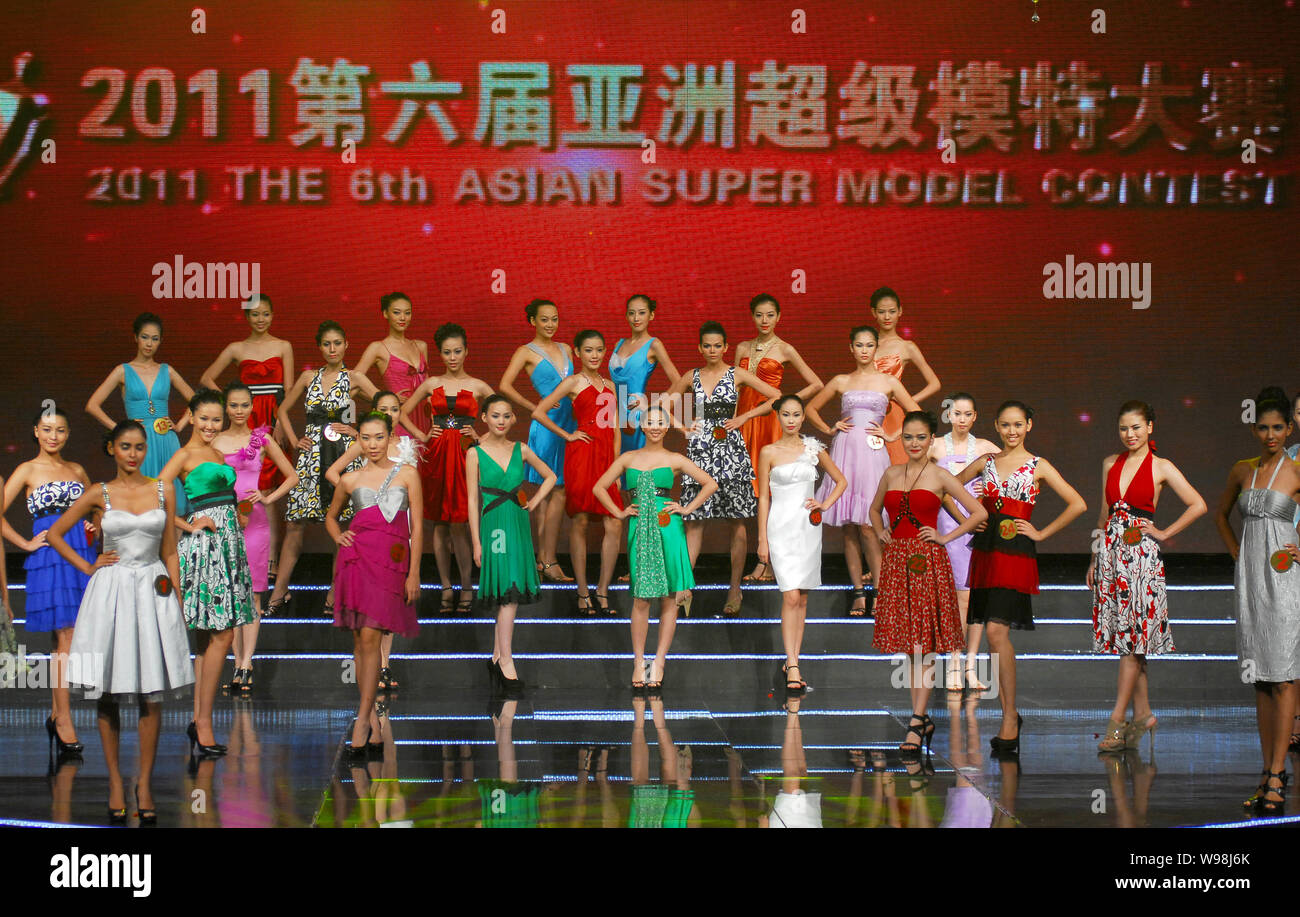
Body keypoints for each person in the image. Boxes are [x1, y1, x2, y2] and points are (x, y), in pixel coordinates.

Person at [47, 420, 195, 824]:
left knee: (151, 692)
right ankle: (115, 781)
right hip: (109, 591)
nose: (133, 453)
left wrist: (177, 598)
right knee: (107, 692)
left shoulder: (163, 490)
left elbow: (169, 551)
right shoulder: (99, 492)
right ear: (112, 448)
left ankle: (143, 783)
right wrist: (88, 565)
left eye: (140, 447)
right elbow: (56, 533)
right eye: (126, 446)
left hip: (151, 588)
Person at [953, 400, 1087, 755]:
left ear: (1029, 425)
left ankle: (1010, 716)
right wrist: (971, 516)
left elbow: (1078, 503)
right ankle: (1010, 715)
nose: (1011, 431)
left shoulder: (1038, 465)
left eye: (1018, 425)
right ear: (996, 427)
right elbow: (946, 486)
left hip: (1015, 553)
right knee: (993, 636)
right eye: (1005, 425)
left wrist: (1041, 533)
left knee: (996, 633)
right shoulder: (987, 462)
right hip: (986, 550)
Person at [1088, 400, 1205, 753]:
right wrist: (1094, 558)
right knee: (1130, 642)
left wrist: (1164, 531)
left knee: (1131, 643)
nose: (1130, 434)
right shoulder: (1110, 463)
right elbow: (1103, 514)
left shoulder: (1162, 466)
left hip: (1140, 560)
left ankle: (1117, 721)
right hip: (1111, 554)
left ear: (1150, 427)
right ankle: (1144, 714)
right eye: (1124, 428)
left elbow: (1198, 504)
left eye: (1137, 427)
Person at [869, 411, 988, 757]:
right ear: (901, 439)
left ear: (931, 439)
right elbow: (874, 511)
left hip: (927, 562)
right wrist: (881, 534)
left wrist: (945, 535)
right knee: (910, 645)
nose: (914, 443)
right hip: (896, 562)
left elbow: (979, 513)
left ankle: (917, 720)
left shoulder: (939, 475)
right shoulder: (891, 473)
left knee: (925, 643)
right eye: (908, 437)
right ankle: (919, 717)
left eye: (921, 437)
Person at [1213, 387, 1300, 814]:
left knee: (1283, 676)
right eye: (1263, 428)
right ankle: (1266, 770)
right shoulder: (1241, 470)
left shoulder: (1298, 469)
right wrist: (1237, 552)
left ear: (1289, 427)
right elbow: (1220, 515)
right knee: (1262, 679)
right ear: (1254, 429)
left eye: (1278, 427)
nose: (1271, 435)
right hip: (1250, 579)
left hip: (1286, 580)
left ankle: (1279, 773)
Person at [160, 389, 258, 756]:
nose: (211, 425)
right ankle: (203, 722)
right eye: (204, 418)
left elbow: (223, 498)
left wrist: (237, 514)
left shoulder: (217, 453)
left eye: (217, 419)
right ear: (190, 416)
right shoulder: (184, 455)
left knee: (208, 639)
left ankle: (198, 719)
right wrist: (187, 525)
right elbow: (153, 496)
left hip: (228, 543)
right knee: (223, 635)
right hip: (205, 548)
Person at [593, 406, 717, 689]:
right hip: (640, 528)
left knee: (671, 597)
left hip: (669, 528)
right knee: (641, 598)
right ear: (642, 426)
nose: (655, 426)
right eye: (650, 422)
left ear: (667, 426)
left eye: (661, 422)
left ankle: (659, 662)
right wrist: (620, 511)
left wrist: (686, 508)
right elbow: (600, 487)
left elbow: (710, 483)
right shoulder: (628, 458)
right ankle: (639, 662)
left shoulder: (675, 458)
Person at [663, 321, 781, 617]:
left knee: (736, 521)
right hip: (700, 451)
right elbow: (663, 404)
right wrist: (682, 428)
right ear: (699, 347)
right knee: (694, 521)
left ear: (726, 347)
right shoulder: (691, 376)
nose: (712, 350)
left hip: (732, 450)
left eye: (718, 345)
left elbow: (776, 397)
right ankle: (684, 588)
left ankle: (734, 588)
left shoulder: (737, 373)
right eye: (707, 345)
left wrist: (745, 418)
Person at [326, 411, 423, 761]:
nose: (372, 445)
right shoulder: (350, 480)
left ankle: (364, 720)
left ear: (390, 437)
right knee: (361, 639)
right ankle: (371, 720)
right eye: (365, 438)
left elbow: (418, 529)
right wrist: (340, 536)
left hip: (393, 564)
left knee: (372, 637)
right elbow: (330, 517)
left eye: (379, 437)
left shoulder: (408, 474)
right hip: (357, 563)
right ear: (359, 441)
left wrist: (414, 573)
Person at [0, 405, 95, 757]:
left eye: (61, 430)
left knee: (69, 637)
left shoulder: (76, 469)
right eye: (47, 429)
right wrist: (24, 543)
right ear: (36, 432)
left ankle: (57, 713)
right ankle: (64, 719)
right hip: (49, 557)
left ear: (67, 434)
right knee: (65, 635)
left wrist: (93, 524)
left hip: (78, 554)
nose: (54, 436)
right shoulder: (26, 469)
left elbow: (97, 507)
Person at [805, 325, 919, 615]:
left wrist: (894, 436)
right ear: (851, 348)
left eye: (870, 345)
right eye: (860, 345)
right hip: (845, 451)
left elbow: (916, 413)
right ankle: (858, 591)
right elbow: (810, 409)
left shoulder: (888, 382)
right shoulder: (842, 380)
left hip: (872, 454)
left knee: (870, 526)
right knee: (849, 528)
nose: (865, 350)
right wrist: (829, 428)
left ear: (876, 348)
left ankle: (881, 592)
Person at [268, 320, 377, 614]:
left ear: (346, 346)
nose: (332, 349)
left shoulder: (354, 378)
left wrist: (360, 433)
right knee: (295, 524)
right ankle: (280, 591)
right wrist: (294, 440)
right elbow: (282, 408)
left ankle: (334, 592)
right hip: (311, 456)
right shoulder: (307, 378)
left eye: (338, 343)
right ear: (320, 347)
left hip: (342, 457)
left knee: (341, 525)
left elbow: (386, 405)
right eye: (327, 344)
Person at [198, 293, 295, 582]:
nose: (261, 319)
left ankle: (270, 559)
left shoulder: (283, 345)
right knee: (247, 487)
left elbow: (288, 390)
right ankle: (239, 553)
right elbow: (206, 377)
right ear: (246, 317)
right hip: (246, 415)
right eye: (255, 314)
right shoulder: (236, 347)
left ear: (273, 315)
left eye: (266, 313)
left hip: (272, 418)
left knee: (268, 493)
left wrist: (279, 421)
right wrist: (231, 401)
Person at [400, 323, 494, 615]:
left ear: (466, 351)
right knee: (438, 524)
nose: (452, 357)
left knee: (459, 523)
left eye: (457, 351)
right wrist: (424, 434)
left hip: (465, 455)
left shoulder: (478, 385)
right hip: (437, 455)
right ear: (440, 354)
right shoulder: (430, 384)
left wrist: (482, 437)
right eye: (446, 352)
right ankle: (445, 587)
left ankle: (466, 586)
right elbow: (401, 412)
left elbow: (504, 414)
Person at [755, 394, 847, 692]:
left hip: (807, 527)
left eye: (796, 415)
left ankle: (793, 659)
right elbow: (764, 498)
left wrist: (823, 503)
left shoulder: (813, 448)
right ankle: (792, 663)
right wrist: (762, 540)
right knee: (790, 596)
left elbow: (841, 480)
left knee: (803, 598)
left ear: (803, 417)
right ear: (778, 417)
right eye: (786, 415)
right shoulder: (768, 451)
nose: (791, 420)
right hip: (780, 527)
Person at [467, 395, 557, 690]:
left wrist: (532, 503)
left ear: (513, 420)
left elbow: (550, 476)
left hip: (517, 524)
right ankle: (506, 661)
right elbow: (471, 500)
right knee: (507, 593)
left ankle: (497, 657)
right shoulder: (475, 453)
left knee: (512, 591)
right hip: (494, 527)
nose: (501, 421)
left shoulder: (521, 449)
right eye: (495, 416)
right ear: (484, 418)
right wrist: (476, 543)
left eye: (506, 416)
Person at [215, 382, 298, 693]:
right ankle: (236, 665)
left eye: (243, 405)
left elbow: (292, 475)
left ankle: (247, 663)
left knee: (252, 596)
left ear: (252, 407)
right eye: (233, 405)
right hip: (225, 521)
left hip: (255, 523)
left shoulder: (260, 438)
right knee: (231, 597)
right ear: (226, 407)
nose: (238, 411)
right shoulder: (216, 440)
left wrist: (267, 496)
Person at [533, 329, 623, 615]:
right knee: (581, 521)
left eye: (599, 350)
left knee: (614, 522)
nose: (595, 355)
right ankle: (583, 592)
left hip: (607, 458)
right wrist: (568, 435)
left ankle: (603, 591)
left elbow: (616, 428)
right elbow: (539, 412)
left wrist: (617, 467)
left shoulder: (608, 383)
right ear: (577, 353)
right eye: (589, 350)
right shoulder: (572, 382)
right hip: (582, 456)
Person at [737, 293, 824, 582]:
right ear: (752, 317)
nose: (765, 320)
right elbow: (735, 389)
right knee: (752, 495)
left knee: (773, 493)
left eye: (770, 315)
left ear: (779, 317)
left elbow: (816, 383)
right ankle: (761, 556)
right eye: (759, 315)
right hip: (744, 424)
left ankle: (773, 561)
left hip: (770, 424)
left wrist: (785, 403)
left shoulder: (785, 348)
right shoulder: (741, 348)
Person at [497, 298, 577, 583]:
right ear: (532, 321)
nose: (550, 324)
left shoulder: (567, 348)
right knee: (555, 489)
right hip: (546, 426)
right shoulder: (525, 351)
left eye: (554, 318)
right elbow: (504, 385)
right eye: (544, 319)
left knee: (549, 496)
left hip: (570, 421)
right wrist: (533, 406)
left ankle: (543, 560)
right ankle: (549, 560)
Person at [85, 312, 195, 509]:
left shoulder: (167, 370)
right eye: (144, 337)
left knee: (174, 503)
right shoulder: (122, 370)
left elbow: (196, 400)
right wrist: (121, 428)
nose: (149, 344)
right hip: (139, 442)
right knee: (145, 503)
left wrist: (180, 425)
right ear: (135, 337)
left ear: (161, 341)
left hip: (167, 440)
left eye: (155, 339)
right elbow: (92, 405)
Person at [930, 393, 1000, 691]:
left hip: (979, 524)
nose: (961, 419)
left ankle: (971, 664)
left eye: (967, 414)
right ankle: (955, 663)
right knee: (960, 597)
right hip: (950, 523)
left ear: (974, 416)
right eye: (956, 413)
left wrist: (991, 484)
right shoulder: (936, 445)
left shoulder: (985, 448)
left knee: (975, 598)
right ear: (948, 415)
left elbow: (1013, 467)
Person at [869, 287, 941, 465]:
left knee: (897, 464)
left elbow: (934, 383)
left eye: (892, 311)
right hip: (868, 411)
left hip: (893, 414)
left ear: (900, 312)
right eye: (882, 312)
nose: (887, 317)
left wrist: (905, 400)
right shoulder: (867, 344)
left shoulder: (906, 346)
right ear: (873, 313)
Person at [608, 294, 681, 452]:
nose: (636, 318)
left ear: (651, 315)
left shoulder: (654, 345)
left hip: (636, 416)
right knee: (614, 467)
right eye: (631, 313)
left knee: (635, 469)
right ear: (626, 315)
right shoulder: (619, 343)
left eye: (641, 313)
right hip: (612, 414)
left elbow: (679, 382)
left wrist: (652, 407)